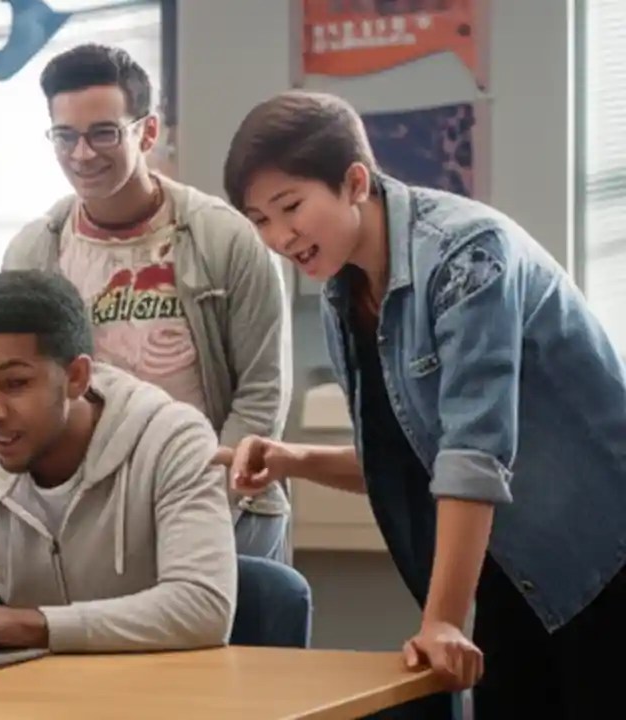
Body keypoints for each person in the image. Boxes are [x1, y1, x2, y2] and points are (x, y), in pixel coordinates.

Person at [222, 89, 626, 718]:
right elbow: (410, 456)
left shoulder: (469, 254)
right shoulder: (344, 293)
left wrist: (440, 620)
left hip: (601, 556)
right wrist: (292, 458)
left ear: (354, 181)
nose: (279, 237)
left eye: (290, 207)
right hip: (515, 572)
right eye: (259, 220)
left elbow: (473, 452)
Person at [1, 43, 292, 561]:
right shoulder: (35, 251)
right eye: (65, 136)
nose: (82, 154)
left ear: (148, 132)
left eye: (104, 133)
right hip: (86, 522)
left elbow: (261, 393)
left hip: (222, 513)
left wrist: (202, 508)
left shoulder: (224, 239)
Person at [0, 270, 237, 653]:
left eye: (15, 383)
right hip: (41, 705)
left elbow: (204, 610)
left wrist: (34, 625)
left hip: (161, 701)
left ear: (77, 377)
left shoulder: (173, 442)